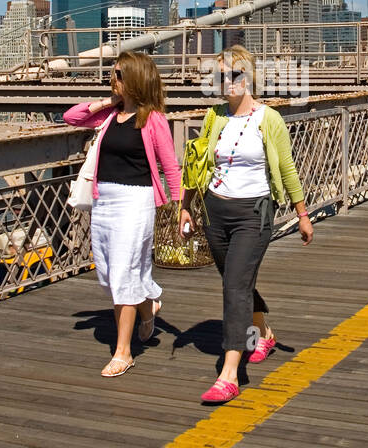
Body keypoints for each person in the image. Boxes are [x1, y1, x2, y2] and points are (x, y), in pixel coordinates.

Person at [179, 46, 313, 404]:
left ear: (249, 77)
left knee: (234, 286)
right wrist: (186, 205)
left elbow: (287, 168)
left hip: (254, 215)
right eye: (220, 75)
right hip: (214, 212)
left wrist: (302, 214)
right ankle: (263, 332)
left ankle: (229, 374)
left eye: (234, 74)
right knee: (235, 281)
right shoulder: (214, 116)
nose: (227, 82)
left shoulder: (269, 119)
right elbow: (198, 162)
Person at [63, 51, 182, 377]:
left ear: (135, 79)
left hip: (135, 202)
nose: (112, 78)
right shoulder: (110, 116)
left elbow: (170, 166)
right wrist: (107, 102)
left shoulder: (153, 119)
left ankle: (123, 352)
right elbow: (71, 117)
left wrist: (179, 207)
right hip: (104, 202)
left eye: (118, 74)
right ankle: (148, 304)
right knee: (108, 272)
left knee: (122, 274)